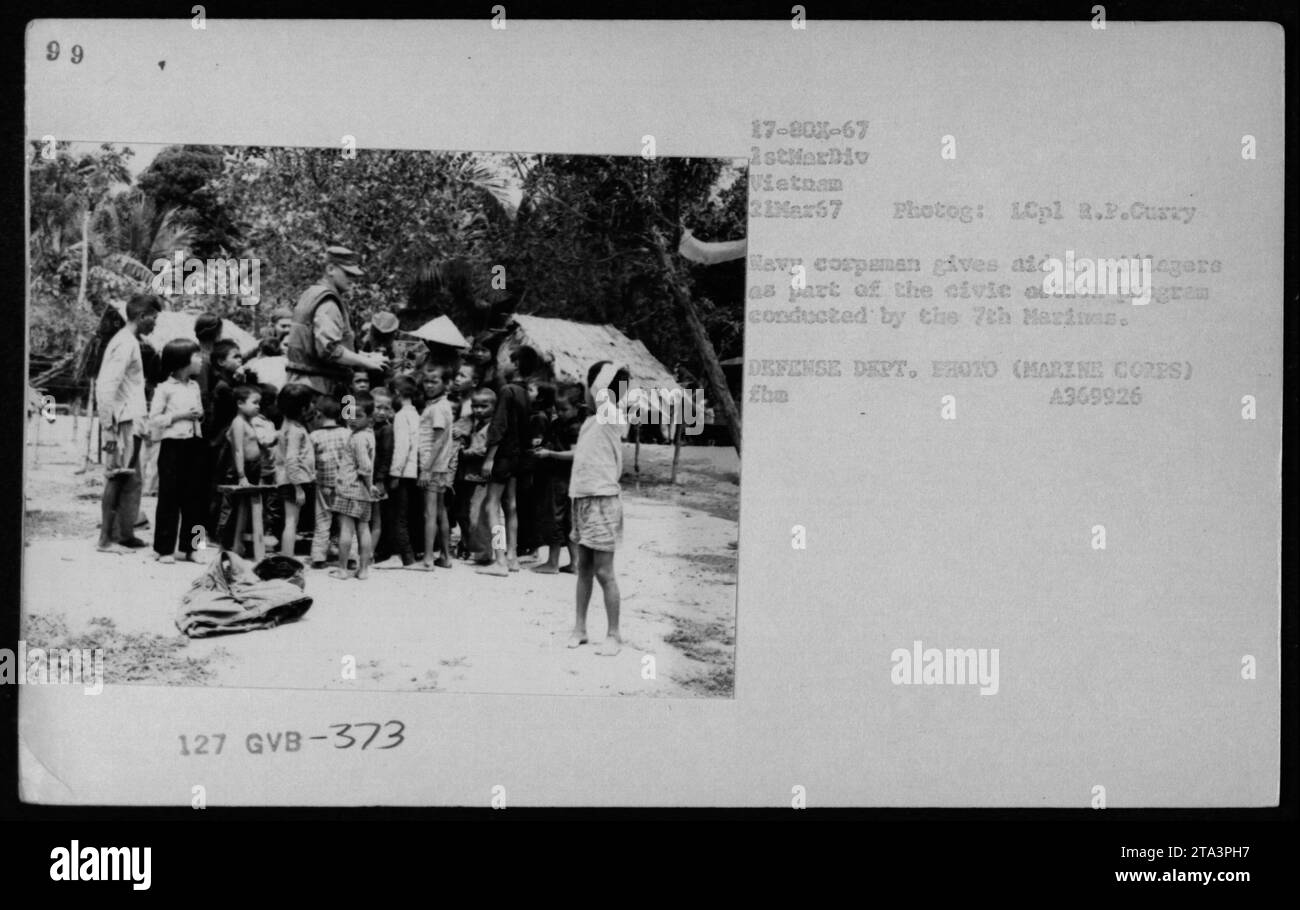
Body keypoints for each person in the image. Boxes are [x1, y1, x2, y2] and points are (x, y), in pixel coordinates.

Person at [566, 361, 630, 656]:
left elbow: (600, 388)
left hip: (603, 502)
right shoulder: (592, 421)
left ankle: (614, 635)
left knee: (605, 573)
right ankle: (579, 628)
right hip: (582, 500)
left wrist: (616, 366)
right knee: (584, 570)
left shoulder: (613, 417)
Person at [95, 293, 161, 553]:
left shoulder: (130, 341)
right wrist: (108, 428)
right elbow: (106, 385)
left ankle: (124, 533)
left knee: (132, 478)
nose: (155, 323)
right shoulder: (125, 343)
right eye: (154, 318)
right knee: (118, 477)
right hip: (122, 419)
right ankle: (105, 540)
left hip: (131, 417)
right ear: (142, 316)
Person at [284, 245, 387, 398]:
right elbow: (330, 350)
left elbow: (321, 344)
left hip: (307, 386)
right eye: (348, 274)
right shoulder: (328, 303)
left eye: (355, 276)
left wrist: (365, 356)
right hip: (323, 390)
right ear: (331, 269)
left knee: (350, 417)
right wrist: (366, 363)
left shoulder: (312, 293)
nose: (353, 281)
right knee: (347, 419)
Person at [477, 346, 539, 576]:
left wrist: (489, 458)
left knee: (492, 505)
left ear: (515, 364)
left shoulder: (507, 391)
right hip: (519, 456)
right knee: (511, 506)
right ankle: (512, 557)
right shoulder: (526, 392)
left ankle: (499, 557)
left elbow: (499, 427)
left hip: (503, 455)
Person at [147, 338, 205, 563]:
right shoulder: (165, 389)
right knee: (169, 498)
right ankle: (164, 549)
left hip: (194, 444)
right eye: (196, 356)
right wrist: (179, 416)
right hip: (172, 447)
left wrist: (198, 416)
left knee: (195, 499)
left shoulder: (194, 386)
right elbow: (154, 420)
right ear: (182, 361)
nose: (200, 360)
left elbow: (198, 413)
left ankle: (193, 548)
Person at [532, 381, 584, 574]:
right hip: (559, 477)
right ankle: (574, 563)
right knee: (567, 520)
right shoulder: (557, 423)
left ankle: (552, 562)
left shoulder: (575, 427)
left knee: (556, 518)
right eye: (557, 409)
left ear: (576, 407)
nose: (560, 413)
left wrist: (550, 454)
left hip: (561, 478)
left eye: (565, 409)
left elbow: (575, 453)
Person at [330, 393, 375, 580]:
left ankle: (342, 569)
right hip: (364, 492)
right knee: (364, 529)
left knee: (346, 530)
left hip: (349, 488)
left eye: (359, 416)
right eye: (350, 415)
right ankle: (363, 569)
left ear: (369, 418)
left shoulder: (357, 438)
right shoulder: (368, 435)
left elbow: (365, 466)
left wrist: (367, 482)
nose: (353, 420)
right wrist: (370, 487)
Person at [418, 365, 456, 569]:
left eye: (435, 381)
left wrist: (426, 468)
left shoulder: (438, 408)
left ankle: (428, 558)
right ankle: (446, 556)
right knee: (441, 512)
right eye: (427, 381)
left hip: (432, 466)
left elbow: (439, 441)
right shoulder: (441, 405)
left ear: (445, 384)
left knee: (430, 514)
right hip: (440, 466)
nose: (429, 385)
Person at [382, 375, 421, 567]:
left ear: (396, 394)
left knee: (397, 516)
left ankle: (403, 556)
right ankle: (406, 554)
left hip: (403, 472)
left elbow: (402, 447)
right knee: (405, 515)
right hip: (413, 471)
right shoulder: (415, 414)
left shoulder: (400, 416)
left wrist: (395, 473)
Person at [308, 396, 349, 569]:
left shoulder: (314, 436)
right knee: (346, 522)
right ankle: (351, 556)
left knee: (323, 521)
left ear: (318, 414)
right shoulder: (347, 434)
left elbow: (311, 462)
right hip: (346, 485)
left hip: (324, 485)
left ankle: (318, 557)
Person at [221, 386, 264, 553]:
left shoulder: (251, 421)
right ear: (240, 403)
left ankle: (239, 543)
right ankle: (226, 543)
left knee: (245, 508)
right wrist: (241, 475)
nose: (258, 406)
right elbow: (238, 450)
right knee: (232, 507)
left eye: (259, 403)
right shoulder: (238, 423)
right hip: (241, 468)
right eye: (254, 403)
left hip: (253, 467)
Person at [276, 383, 316, 558]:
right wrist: (298, 487)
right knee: (291, 522)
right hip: (293, 481)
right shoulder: (295, 431)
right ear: (302, 407)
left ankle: (287, 557)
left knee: (292, 521)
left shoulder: (288, 425)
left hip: (290, 480)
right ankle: (287, 559)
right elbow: (291, 460)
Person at [457, 387, 497, 563]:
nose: (478, 410)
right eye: (475, 406)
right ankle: (475, 549)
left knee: (483, 516)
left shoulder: (494, 425)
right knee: (466, 514)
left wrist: (466, 453)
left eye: (484, 406)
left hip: (486, 478)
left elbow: (484, 450)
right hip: (470, 476)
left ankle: (491, 552)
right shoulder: (471, 421)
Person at [369, 387, 394, 563]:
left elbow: (386, 457)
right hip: (365, 478)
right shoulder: (367, 427)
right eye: (378, 407)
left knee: (378, 516)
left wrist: (379, 480)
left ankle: (373, 552)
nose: (381, 412)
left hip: (378, 479)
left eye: (386, 408)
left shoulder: (386, 430)